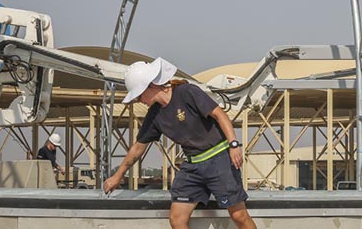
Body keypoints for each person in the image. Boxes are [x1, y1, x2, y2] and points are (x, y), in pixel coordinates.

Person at [103, 57, 256, 229]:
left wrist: (233, 144)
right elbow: (138, 147)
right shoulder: (154, 116)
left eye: (139, 96)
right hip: (192, 167)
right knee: (176, 219)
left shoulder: (186, 92)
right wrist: (118, 176)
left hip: (218, 159)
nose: (139, 101)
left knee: (238, 215)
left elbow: (219, 114)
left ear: (150, 86)